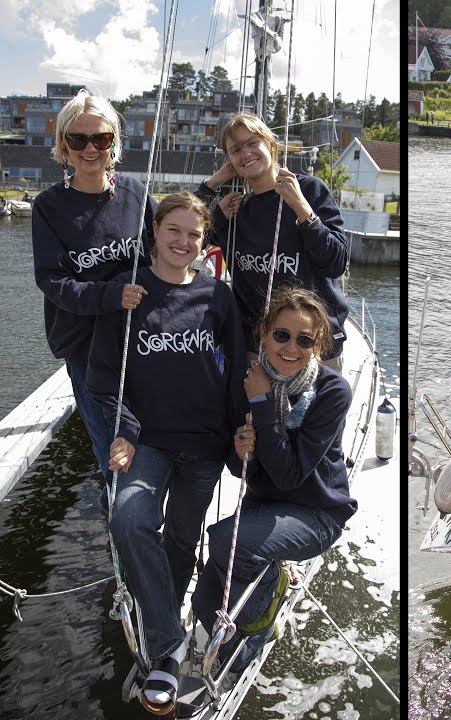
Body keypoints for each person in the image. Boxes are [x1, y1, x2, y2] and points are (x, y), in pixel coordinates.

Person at [87, 193, 245, 708]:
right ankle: (169, 640)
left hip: (203, 446)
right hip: (148, 441)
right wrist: (126, 432)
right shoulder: (130, 295)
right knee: (130, 521)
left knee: (181, 540)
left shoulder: (217, 297)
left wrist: (240, 434)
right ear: (155, 230)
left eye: (194, 235)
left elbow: (236, 372)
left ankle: (165, 653)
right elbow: (103, 378)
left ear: (205, 241)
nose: (183, 242)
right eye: (173, 230)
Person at [191, 287, 356, 678]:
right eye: (281, 335)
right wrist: (240, 450)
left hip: (317, 512)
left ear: (317, 345)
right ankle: (262, 592)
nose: (291, 348)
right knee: (203, 601)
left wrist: (263, 404)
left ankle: (262, 622)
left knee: (226, 539)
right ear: (263, 333)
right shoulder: (248, 384)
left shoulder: (332, 393)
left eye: (304, 340)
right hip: (266, 506)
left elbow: (289, 474)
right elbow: (241, 468)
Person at [32, 89, 155, 486]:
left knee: (152, 440)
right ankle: (121, 528)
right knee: (114, 454)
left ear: (114, 143)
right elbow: (52, 280)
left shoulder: (136, 194)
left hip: (139, 342)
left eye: (101, 138)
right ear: (63, 147)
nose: (90, 148)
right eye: (78, 139)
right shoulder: (49, 206)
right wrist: (110, 296)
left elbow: (166, 256)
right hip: (87, 350)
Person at [196, 111, 350, 370]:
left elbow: (335, 263)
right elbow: (179, 237)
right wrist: (212, 184)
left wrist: (302, 209)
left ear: (270, 144)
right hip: (256, 349)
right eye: (235, 150)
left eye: (252, 143)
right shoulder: (234, 210)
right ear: (230, 160)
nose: (245, 153)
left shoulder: (309, 190)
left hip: (313, 346)